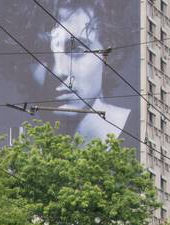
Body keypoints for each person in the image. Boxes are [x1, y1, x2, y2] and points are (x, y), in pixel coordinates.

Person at [46, 3, 133, 141]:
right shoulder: (22, 147)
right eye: (44, 55)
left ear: (107, 54)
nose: (58, 70)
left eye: (77, 49)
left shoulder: (141, 131)